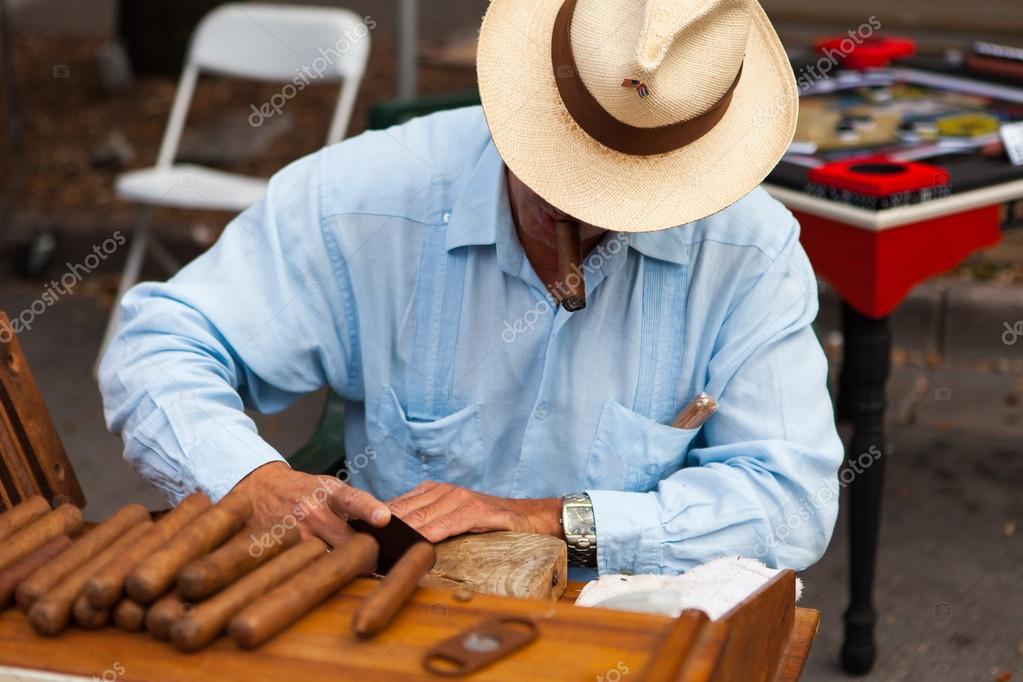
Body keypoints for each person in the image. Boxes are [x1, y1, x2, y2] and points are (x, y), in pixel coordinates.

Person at [100, 0, 844, 578]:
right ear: (520, 106)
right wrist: (251, 478)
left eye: (615, 197)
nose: (572, 213)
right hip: (401, 610)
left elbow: (790, 501)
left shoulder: (747, 248)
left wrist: (550, 521)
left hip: (624, 618)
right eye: (559, 171)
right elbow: (161, 343)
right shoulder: (369, 196)